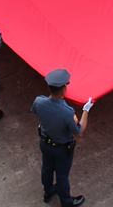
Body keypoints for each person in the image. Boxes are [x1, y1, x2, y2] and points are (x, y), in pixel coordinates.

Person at [31, 69, 93, 207]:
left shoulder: (39, 101)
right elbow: (79, 131)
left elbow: (36, 113)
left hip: (45, 142)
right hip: (61, 149)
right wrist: (86, 110)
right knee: (62, 176)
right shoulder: (67, 112)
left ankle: (48, 192)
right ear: (64, 88)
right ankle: (66, 202)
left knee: (46, 168)